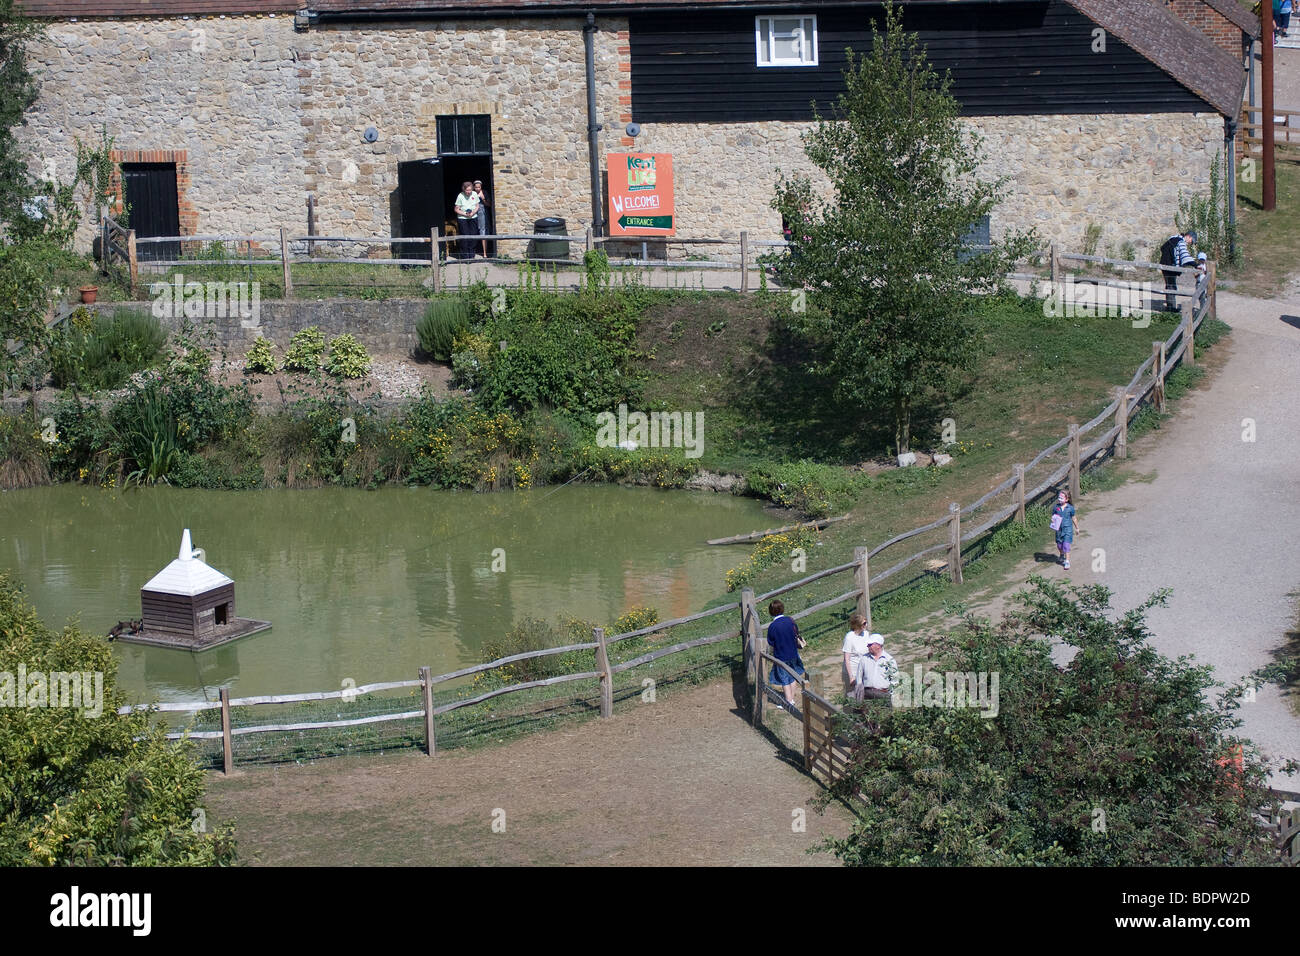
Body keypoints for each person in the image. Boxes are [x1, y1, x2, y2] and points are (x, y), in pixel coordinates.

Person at [766, 599, 806, 709]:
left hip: (781, 656)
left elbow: (771, 642)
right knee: (792, 676)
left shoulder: (773, 626)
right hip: (793, 653)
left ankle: (788, 701)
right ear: (782, 609)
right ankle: (791, 698)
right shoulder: (790, 621)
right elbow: (796, 633)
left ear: (771, 612)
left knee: (784, 679)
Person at [855, 634, 899, 707]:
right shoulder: (864, 658)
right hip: (867, 694)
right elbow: (859, 677)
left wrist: (891, 696)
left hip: (883, 694)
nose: (867, 646)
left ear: (878, 645)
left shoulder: (889, 660)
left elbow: (894, 680)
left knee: (885, 717)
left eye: (870, 644)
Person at [1159, 229, 1196, 312]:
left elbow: (1162, 248)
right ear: (1189, 236)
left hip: (1164, 265)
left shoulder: (1172, 239)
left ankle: (1170, 307)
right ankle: (1171, 309)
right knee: (1171, 286)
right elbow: (1185, 257)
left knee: (1169, 285)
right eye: (1192, 241)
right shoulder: (1181, 242)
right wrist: (1195, 264)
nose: (1191, 243)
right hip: (1170, 267)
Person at [841, 612, 871, 697]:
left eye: (866, 622)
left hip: (864, 668)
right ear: (857, 625)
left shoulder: (866, 634)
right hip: (853, 670)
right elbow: (847, 659)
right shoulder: (849, 638)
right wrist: (851, 677)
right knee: (852, 695)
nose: (866, 625)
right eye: (864, 623)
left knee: (864, 694)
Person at [1051, 489, 1078, 570]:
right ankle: (1061, 554)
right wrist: (1053, 520)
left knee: (1066, 545)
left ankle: (1067, 562)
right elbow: (1053, 516)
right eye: (1059, 498)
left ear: (1067, 499)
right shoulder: (1056, 507)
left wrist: (1077, 528)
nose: (1059, 499)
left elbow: (1074, 518)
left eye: (1061, 498)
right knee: (1059, 545)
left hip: (1068, 530)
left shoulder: (1070, 508)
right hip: (1059, 530)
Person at [454, 181, 480, 259]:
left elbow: (477, 206)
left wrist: (473, 212)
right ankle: (465, 256)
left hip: (473, 217)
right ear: (464, 190)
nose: (469, 192)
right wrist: (465, 214)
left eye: (470, 190)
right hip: (463, 218)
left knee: (473, 235)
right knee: (465, 236)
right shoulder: (460, 196)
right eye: (467, 190)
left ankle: (471, 255)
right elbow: (456, 209)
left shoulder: (474, 194)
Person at [473, 180, 490, 257]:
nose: (477, 188)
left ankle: (484, 252)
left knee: (483, 230)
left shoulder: (484, 193)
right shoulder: (471, 193)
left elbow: (489, 204)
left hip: (482, 212)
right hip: (473, 212)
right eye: (476, 187)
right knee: (473, 229)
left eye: (479, 187)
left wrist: (483, 198)